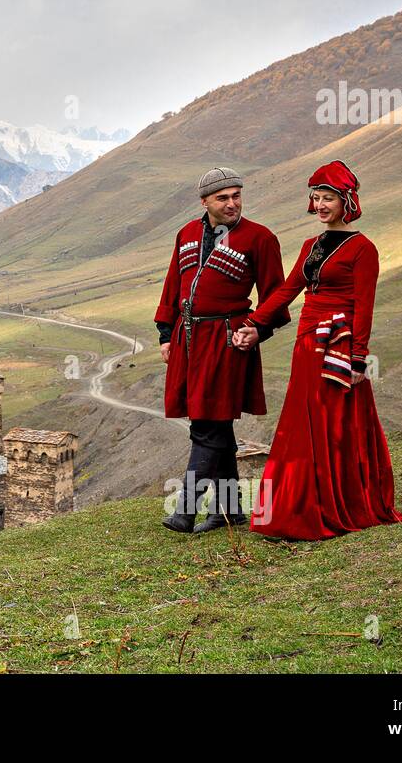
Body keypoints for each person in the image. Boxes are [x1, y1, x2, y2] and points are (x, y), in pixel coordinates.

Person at [238, 160, 402, 540]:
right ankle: (296, 507)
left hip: (338, 345)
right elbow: (287, 291)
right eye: (316, 198)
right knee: (302, 425)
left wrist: (357, 357)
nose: (320, 205)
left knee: (334, 425)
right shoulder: (310, 245)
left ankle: (338, 504)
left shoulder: (363, 248)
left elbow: (364, 305)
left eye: (328, 198)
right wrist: (253, 323)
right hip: (307, 343)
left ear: (346, 201)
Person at [155, 167, 289, 534]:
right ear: (205, 202)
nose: (232, 203)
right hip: (188, 338)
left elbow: (276, 292)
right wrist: (166, 334)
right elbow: (172, 286)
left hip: (226, 338)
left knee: (208, 423)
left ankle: (186, 509)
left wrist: (258, 329)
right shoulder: (185, 234)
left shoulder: (259, 238)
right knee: (214, 424)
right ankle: (229, 511)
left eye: (236, 195)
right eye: (222, 198)